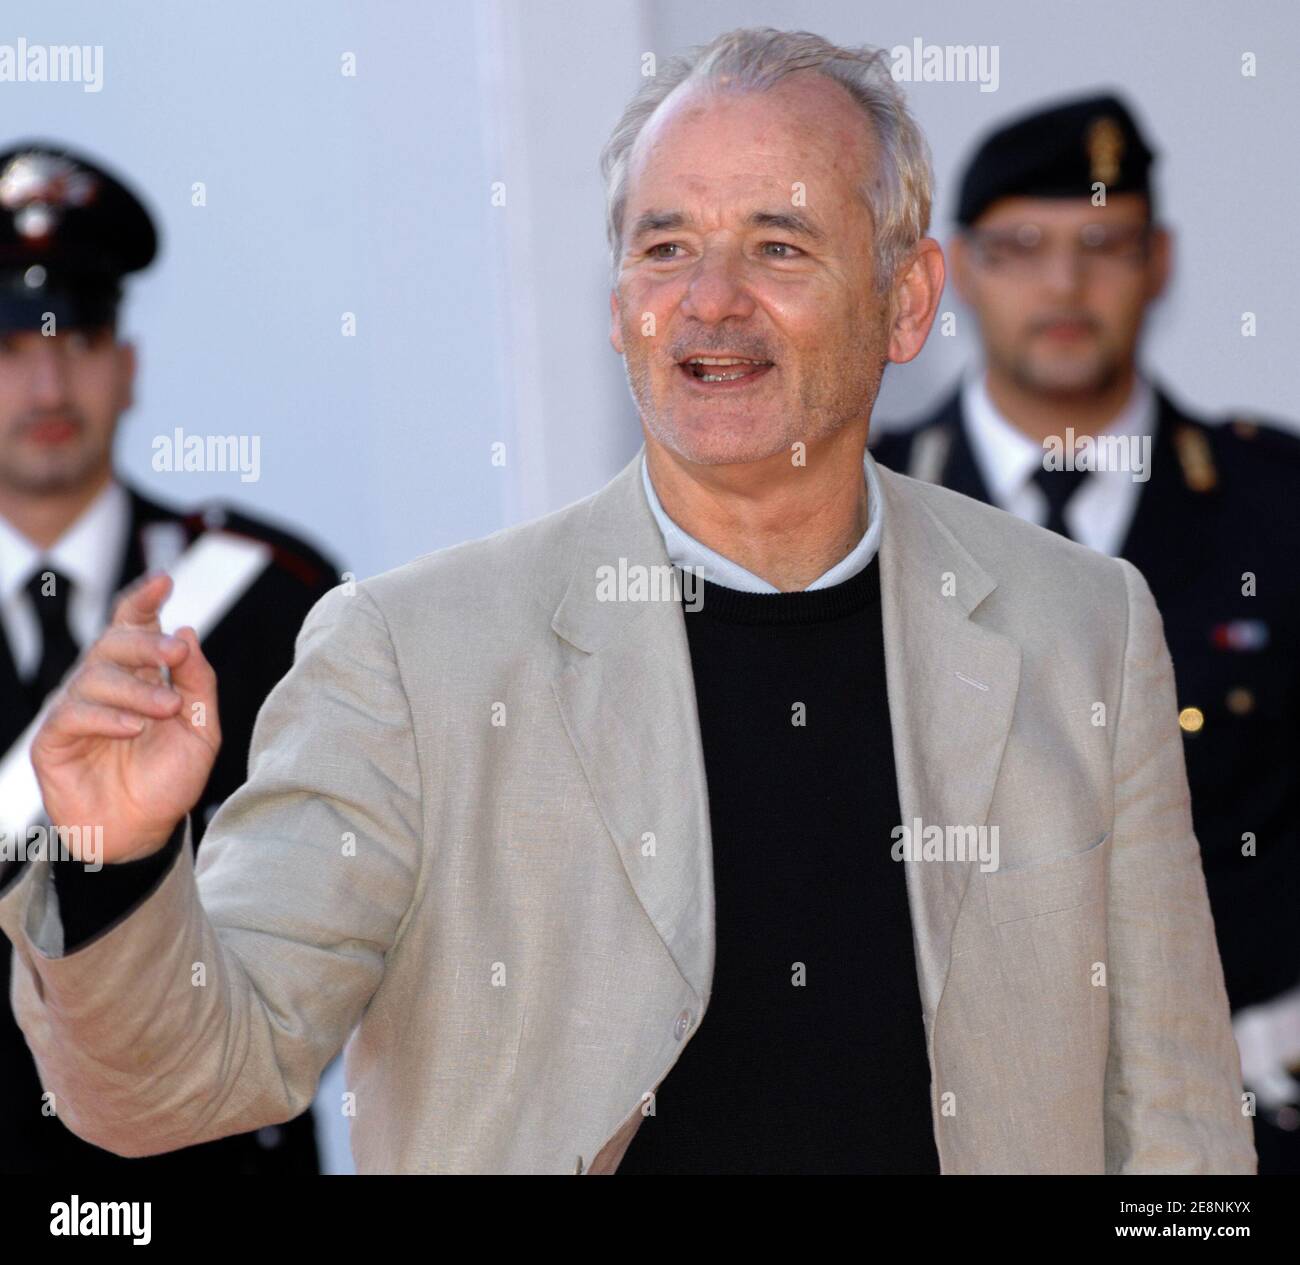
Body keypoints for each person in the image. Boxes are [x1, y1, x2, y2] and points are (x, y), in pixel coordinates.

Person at [0, 32, 1254, 1174]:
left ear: (909, 300)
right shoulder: (412, 657)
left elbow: (1178, 1124)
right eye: (665, 246)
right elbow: (181, 1083)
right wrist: (112, 860)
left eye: (777, 242)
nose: (709, 300)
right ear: (617, 307)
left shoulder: (1082, 628)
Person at [870, 92, 1300, 1172]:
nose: (1062, 286)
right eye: (1020, 248)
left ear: (1158, 262)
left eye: (1101, 245)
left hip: (1244, 1116)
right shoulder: (854, 510)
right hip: (929, 1120)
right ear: (953, 270)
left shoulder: (1275, 508)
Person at [0, 142, 336, 1174]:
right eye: (9, 343)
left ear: (128, 364)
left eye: (83, 335)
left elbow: (328, 926)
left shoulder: (264, 593)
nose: (50, 378)